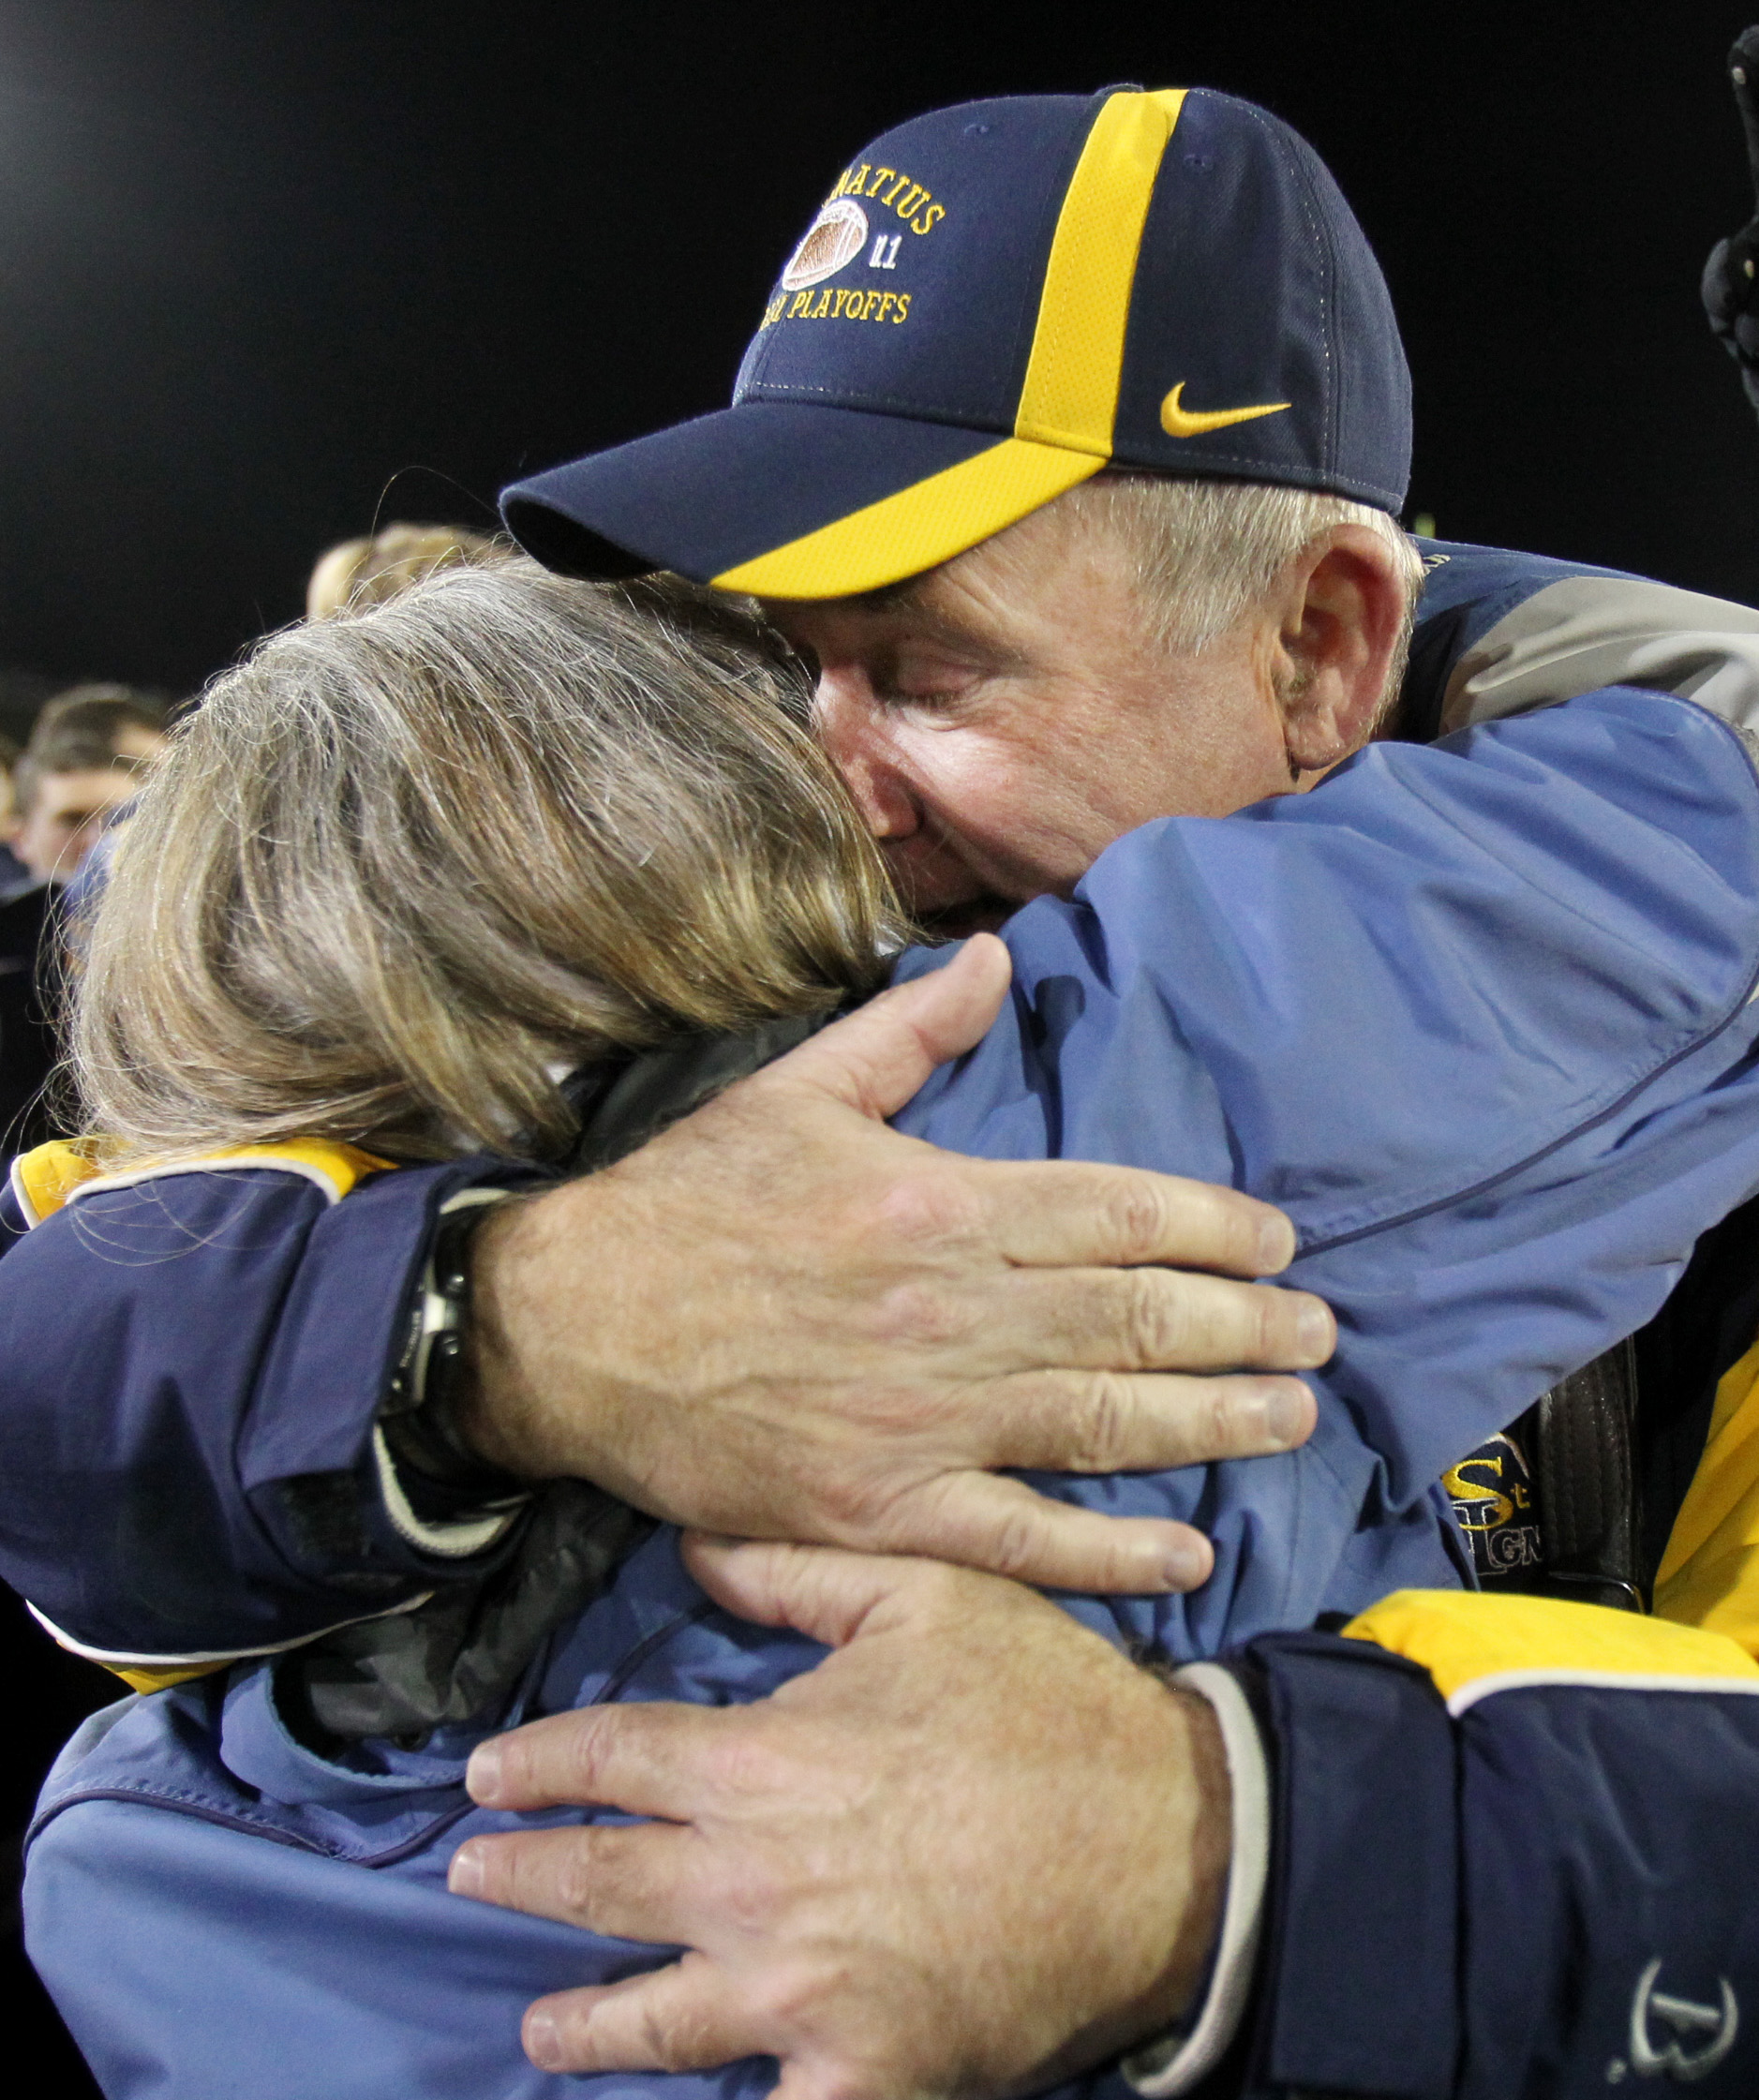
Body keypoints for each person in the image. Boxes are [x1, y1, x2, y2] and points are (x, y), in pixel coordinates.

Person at [12, 82, 1759, 2095]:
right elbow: (69, 1291)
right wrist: (501, 1318)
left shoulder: (127, 1846)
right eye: (776, 660)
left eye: (926, 667)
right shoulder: (692, 1059)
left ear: (1325, 648)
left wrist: (1227, 1849)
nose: (826, 779)